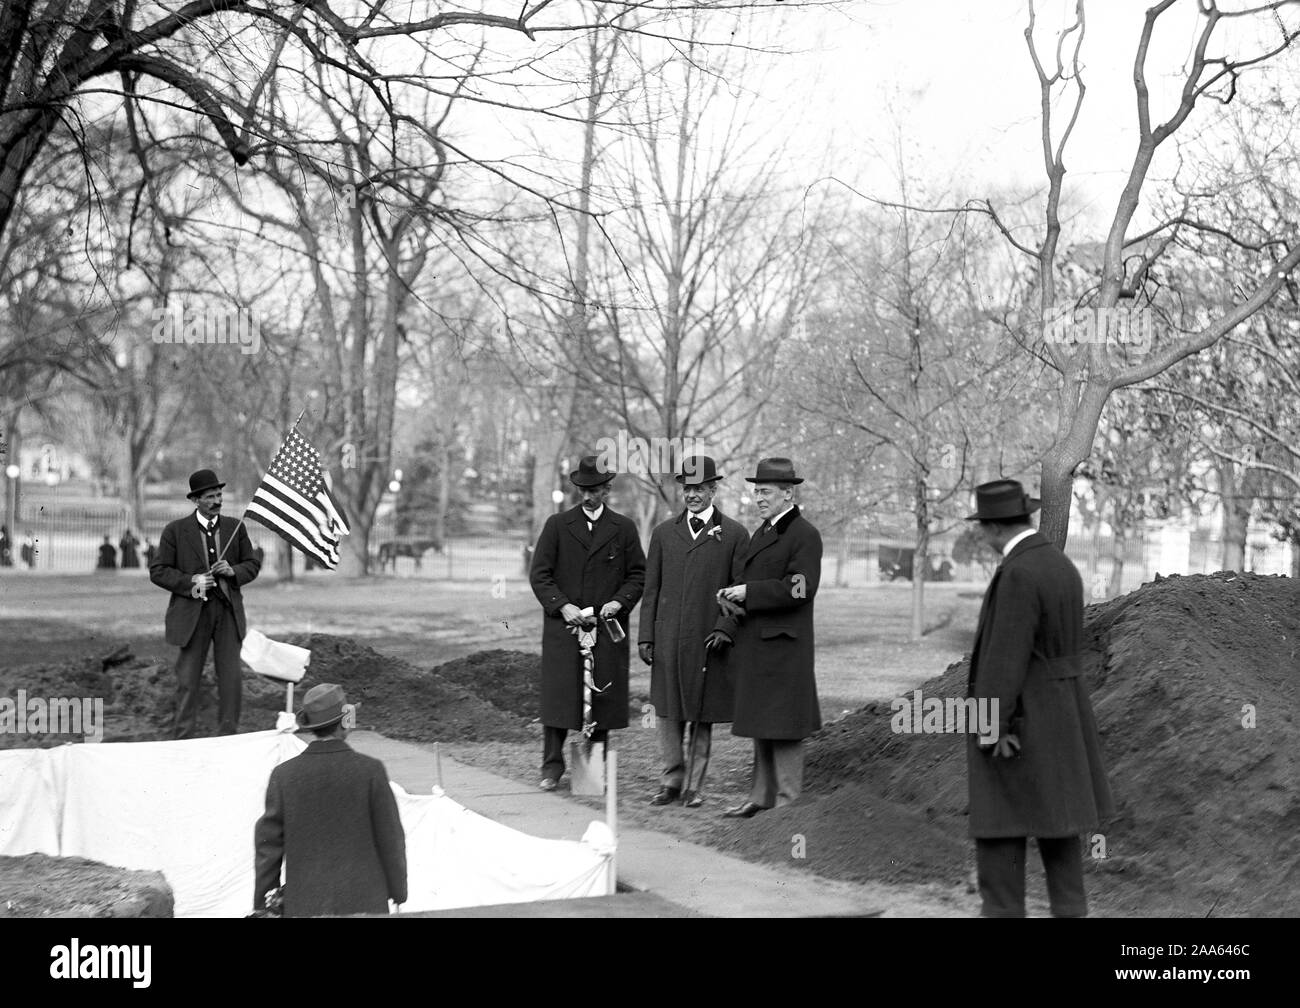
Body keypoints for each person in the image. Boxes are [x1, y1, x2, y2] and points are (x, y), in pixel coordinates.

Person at [964, 478, 1113, 918]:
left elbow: (1003, 659)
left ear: (991, 528)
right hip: (1064, 714)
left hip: (1021, 722)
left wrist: (993, 727)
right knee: (1059, 831)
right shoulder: (1060, 565)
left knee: (1000, 833)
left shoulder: (1018, 573)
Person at [529, 454, 645, 792]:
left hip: (605, 628)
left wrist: (617, 603)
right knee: (559, 698)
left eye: (595, 490)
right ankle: (552, 767)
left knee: (602, 698)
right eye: (584, 489)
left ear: (607, 488)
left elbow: (638, 575)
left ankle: (592, 770)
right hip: (565, 628)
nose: (589, 496)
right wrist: (562, 606)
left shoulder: (623, 528)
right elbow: (540, 576)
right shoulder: (557, 525)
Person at [639, 455, 749, 808]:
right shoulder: (663, 533)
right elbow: (651, 590)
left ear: (713, 489)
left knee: (701, 714)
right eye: (687, 489)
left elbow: (740, 588)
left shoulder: (733, 534)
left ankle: (694, 786)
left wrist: (725, 627)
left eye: (699, 488)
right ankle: (671, 780)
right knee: (669, 713)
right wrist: (646, 636)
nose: (692, 495)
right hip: (669, 637)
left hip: (708, 639)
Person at [718, 457, 822, 817]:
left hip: (783, 648)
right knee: (763, 723)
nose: (758, 498)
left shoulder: (804, 534)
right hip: (759, 645)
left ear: (787, 493)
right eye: (756, 492)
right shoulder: (762, 532)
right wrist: (733, 597)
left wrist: (750, 593)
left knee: (785, 727)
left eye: (764, 492)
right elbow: (752, 581)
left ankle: (787, 805)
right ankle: (761, 797)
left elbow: (800, 588)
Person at [253, 683, 407, 917]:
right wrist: (398, 892)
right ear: (346, 721)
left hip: (304, 905)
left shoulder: (284, 776)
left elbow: (268, 847)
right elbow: (391, 840)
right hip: (366, 905)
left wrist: (263, 903)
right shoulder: (370, 771)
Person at [149, 468, 261, 738]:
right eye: (210, 496)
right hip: (192, 615)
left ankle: (228, 734)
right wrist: (192, 582)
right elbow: (158, 571)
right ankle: (184, 735)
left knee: (231, 679)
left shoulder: (236, 528)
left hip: (227, 613)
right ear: (196, 500)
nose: (217, 501)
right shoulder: (175, 531)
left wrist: (234, 571)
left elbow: (252, 564)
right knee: (188, 679)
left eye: (219, 495)